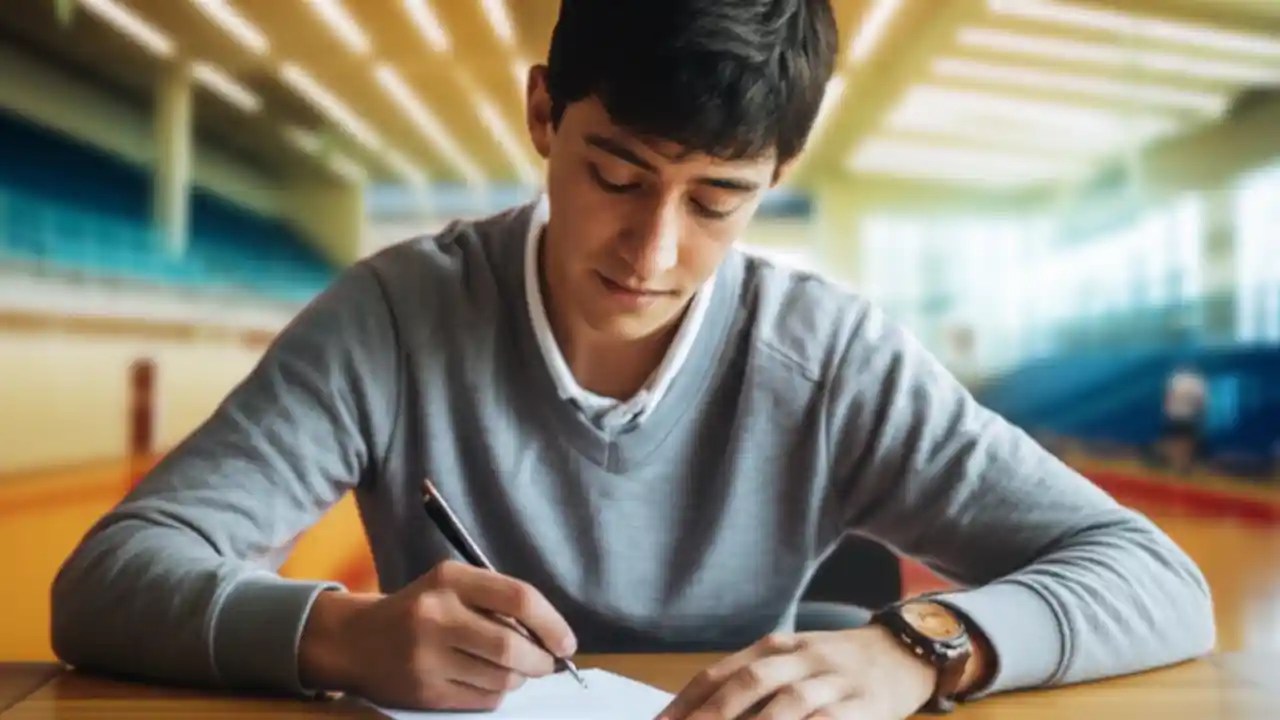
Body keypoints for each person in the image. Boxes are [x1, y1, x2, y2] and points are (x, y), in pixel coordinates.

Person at [50, 1, 1215, 718]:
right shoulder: (395, 317)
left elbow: (1154, 579)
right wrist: (339, 635)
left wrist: (919, 648)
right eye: (616, 174)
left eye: (717, 200)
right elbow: (109, 580)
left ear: (777, 175)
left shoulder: (829, 357)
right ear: (544, 116)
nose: (653, 252)